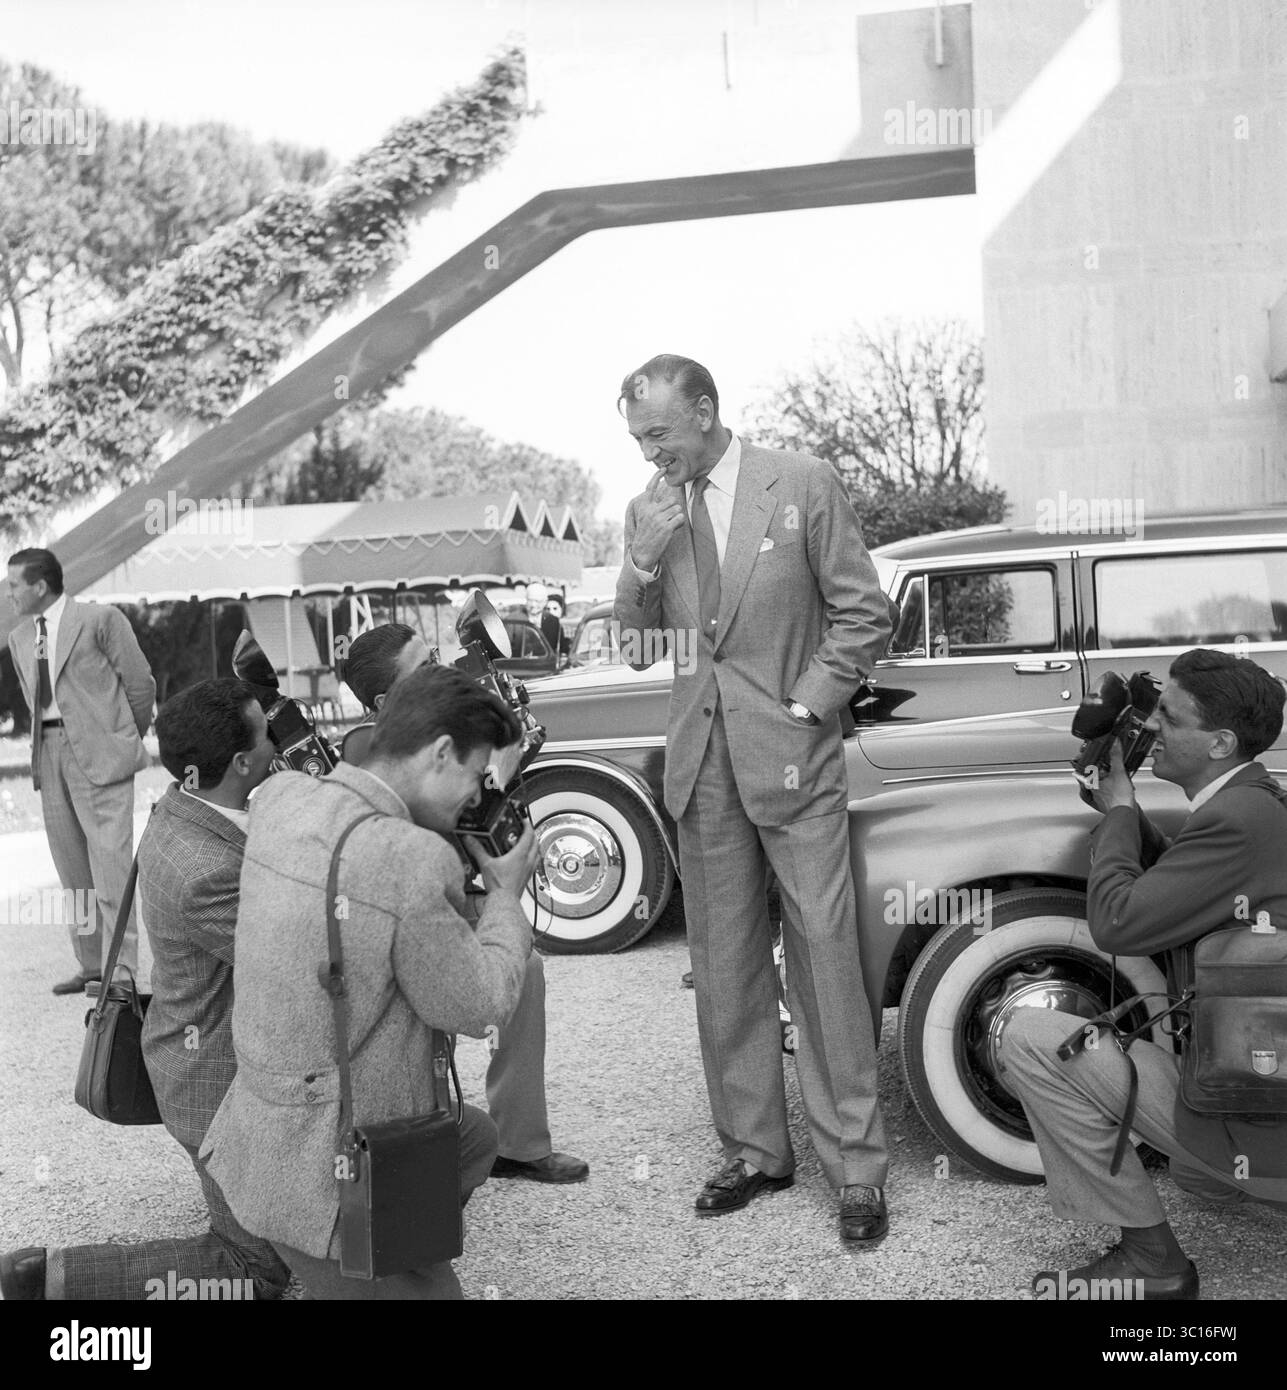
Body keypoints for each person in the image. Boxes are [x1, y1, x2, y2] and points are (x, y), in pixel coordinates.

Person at [613, 354, 892, 1243]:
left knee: (823, 964)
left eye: (658, 433)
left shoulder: (803, 482)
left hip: (795, 765)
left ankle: (857, 1171)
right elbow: (630, 646)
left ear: (703, 411)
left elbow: (863, 615)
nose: (649, 452)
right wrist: (640, 562)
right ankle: (755, 1154)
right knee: (725, 972)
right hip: (703, 772)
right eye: (635, 438)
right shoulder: (648, 511)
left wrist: (809, 703)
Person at [200, 663, 541, 1299]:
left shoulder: (281, 798)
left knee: (473, 1138)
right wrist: (504, 897)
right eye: (475, 776)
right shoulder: (411, 860)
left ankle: (390, 1256)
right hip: (334, 1168)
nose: (477, 798)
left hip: (260, 1133)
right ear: (441, 753)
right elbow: (483, 1006)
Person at [1003, 649, 1287, 1300]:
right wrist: (1120, 815)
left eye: (1168, 713)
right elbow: (1187, 893)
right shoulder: (1252, 803)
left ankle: (1152, 1261)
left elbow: (1118, 924)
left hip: (1258, 1126)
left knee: (1026, 1037)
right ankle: (1216, 1171)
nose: (1149, 725)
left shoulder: (1238, 820)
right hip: (1253, 1098)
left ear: (1218, 742)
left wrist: (1123, 812)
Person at [0, 679, 290, 1301]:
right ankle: (47, 1280)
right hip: (215, 1086)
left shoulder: (190, 804)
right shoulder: (203, 871)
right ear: (241, 763)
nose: (281, 733)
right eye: (268, 730)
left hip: (201, 1059)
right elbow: (296, 961)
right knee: (257, 1271)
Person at [341, 623, 588, 1184]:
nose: (444, 670)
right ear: (385, 702)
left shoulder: (446, 730)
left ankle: (519, 1145)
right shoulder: (365, 750)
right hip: (407, 913)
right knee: (431, 1007)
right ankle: (428, 1142)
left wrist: (501, 768)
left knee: (524, 971)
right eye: (425, 665)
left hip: (460, 894)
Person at [6, 547, 156, 995]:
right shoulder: (19, 638)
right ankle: (92, 965)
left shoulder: (100, 620)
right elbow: (36, 704)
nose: (9, 593)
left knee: (110, 865)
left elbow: (140, 682)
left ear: (39, 586)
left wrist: (123, 736)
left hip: (101, 751)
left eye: (14, 584)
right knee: (73, 869)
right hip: (48, 753)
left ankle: (123, 972)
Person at [525, 582, 566, 660]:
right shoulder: (517, 619)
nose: (533, 605)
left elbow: (561, 647)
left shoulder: (554, 622)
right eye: (530, 600)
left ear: (545, 602)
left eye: (537, 601)